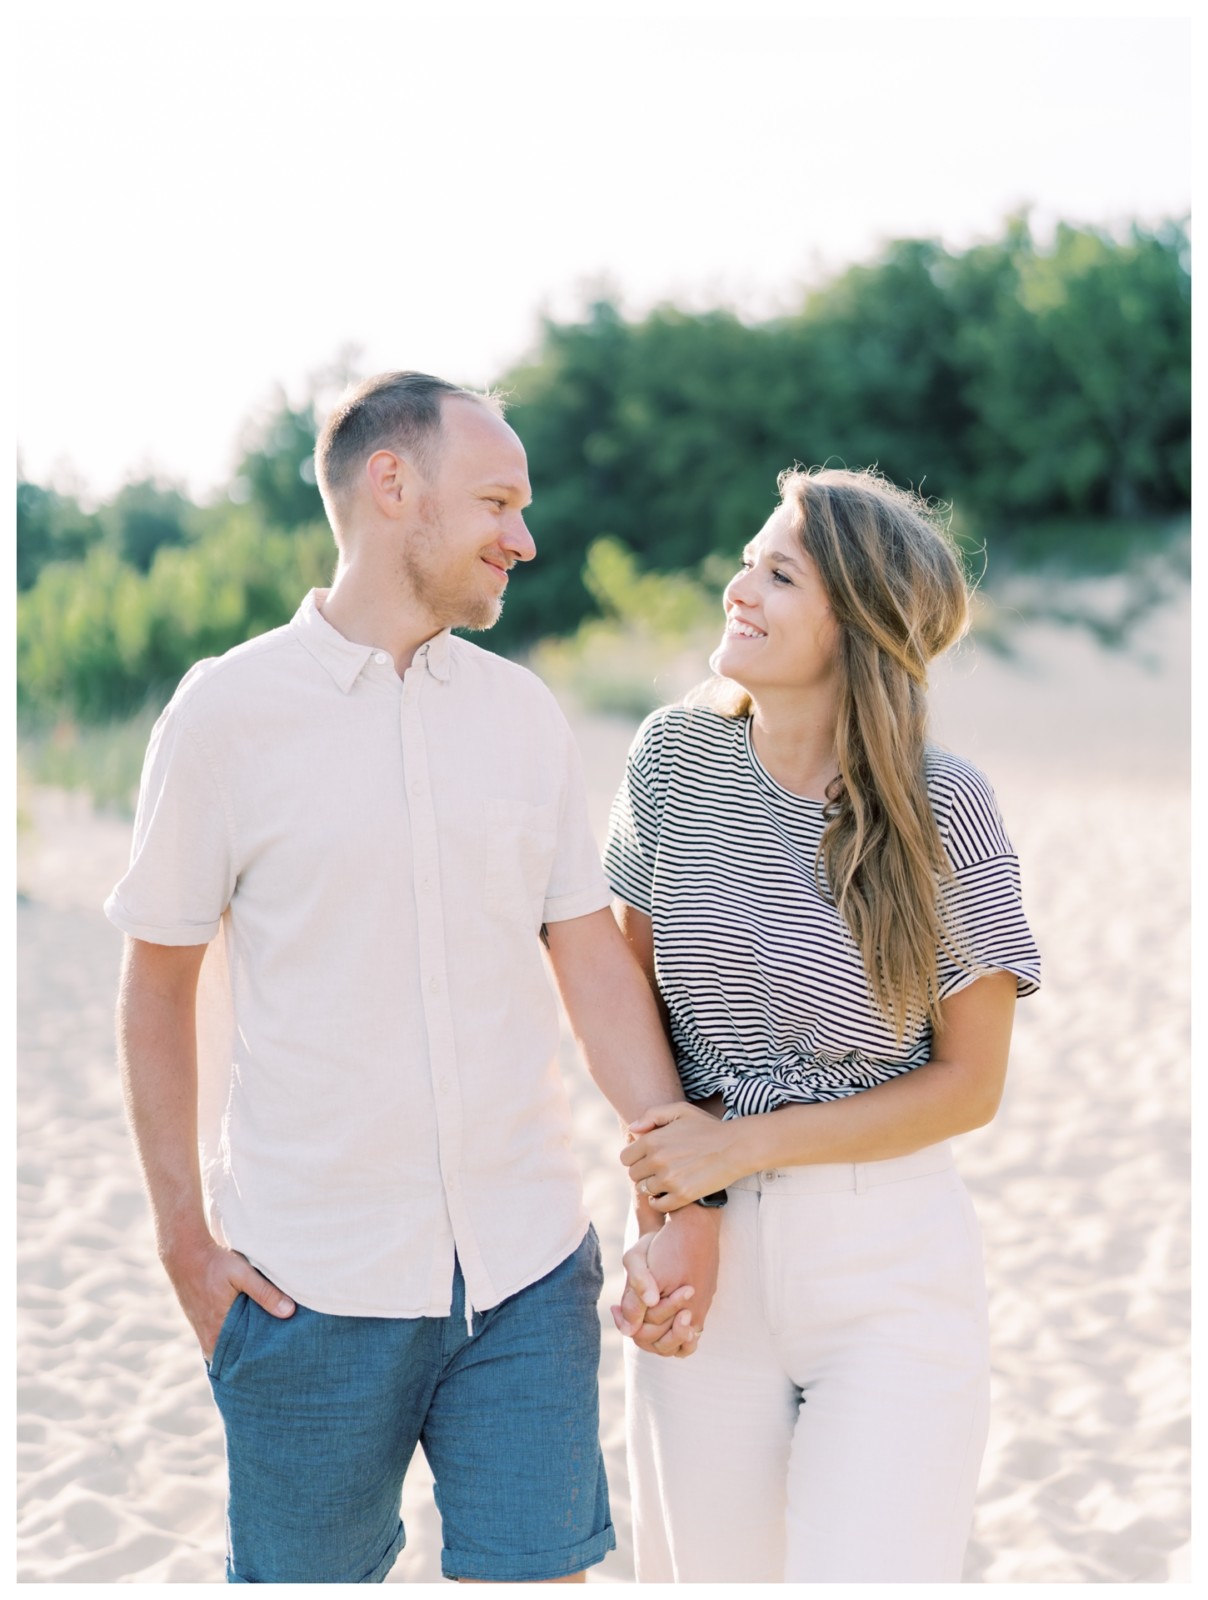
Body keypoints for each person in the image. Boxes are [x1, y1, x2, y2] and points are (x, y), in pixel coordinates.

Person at [105, 372, 718, 1585]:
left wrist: (678, 1191)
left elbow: (590, 962)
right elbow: (156, 984)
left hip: (528, 1268)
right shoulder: (224, 714)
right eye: (497, 499)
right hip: (306, 1289)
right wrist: (183, 1238)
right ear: (394, 487)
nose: (523, 538)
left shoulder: (521, 714)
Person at [605, 465, 1041, 1583]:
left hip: (886, 1264)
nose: (736, 588)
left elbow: (967, 1084)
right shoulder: (671, 760)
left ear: (857, 621)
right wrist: (671, 1206)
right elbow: (631, 1012)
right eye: (748, 559)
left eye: (778, 572)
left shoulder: (945, 806)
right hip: (707, 1253)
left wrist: (736, 1147)